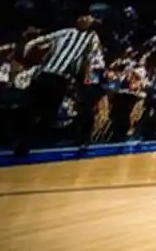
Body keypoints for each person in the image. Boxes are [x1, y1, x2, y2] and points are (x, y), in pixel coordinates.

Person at [15, 14, 101, 156]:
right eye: (85, 20)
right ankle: (24, 141)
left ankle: (27, 141)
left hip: (59, 79)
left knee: (46, 114)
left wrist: (85, 81)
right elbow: (38, 41)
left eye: (89, 22)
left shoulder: (91, 37)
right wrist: (26, 55)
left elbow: (88, 61)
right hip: (46, 76)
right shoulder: (67, 32)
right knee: (32, 110)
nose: (86, 23)